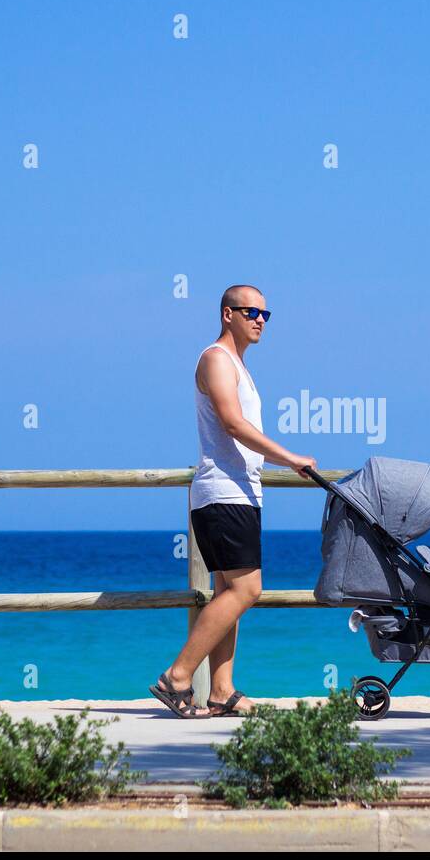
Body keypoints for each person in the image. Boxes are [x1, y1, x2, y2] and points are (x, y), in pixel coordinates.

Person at [149, 284, 317, 718]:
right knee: (247, 589)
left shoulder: (238, 364)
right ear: (227, 314)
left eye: (265, 314)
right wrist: (290, 458)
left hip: (239, 493)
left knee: (228, 591)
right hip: (223, 493)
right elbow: (232, 423)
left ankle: (222, 691)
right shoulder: (215, 359)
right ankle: (177, 676)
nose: (260, 320)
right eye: (250, 312)